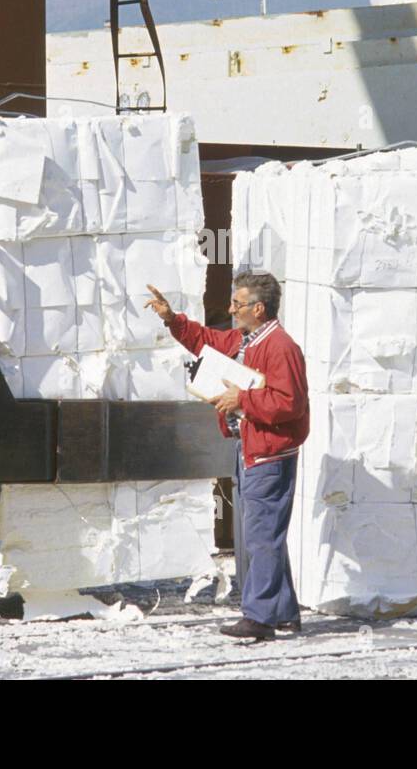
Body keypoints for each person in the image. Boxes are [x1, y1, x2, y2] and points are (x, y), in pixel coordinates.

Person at [146, 272, 309, 641]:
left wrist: (243, 400)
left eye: (238, 304)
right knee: (266, 534)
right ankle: (282, 612)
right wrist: (172, 319)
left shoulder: (281, 347)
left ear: (259, 308)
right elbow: (206, 341)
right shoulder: (245, 340)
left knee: (261, 537)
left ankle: (260, 617)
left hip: (270, 455)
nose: (231, 309)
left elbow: (291, 403)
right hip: (250, 448)